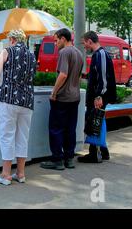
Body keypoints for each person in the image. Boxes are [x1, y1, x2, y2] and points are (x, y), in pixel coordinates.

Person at [0, 30, 36, 185]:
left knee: (6, 135)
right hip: (27, 101)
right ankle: (20, 173)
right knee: (22, 136)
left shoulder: (6, 52)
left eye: (9, 40)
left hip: (8, 99)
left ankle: (6, 174)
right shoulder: (32, 55)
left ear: (13, 39)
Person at [40, 28, 83, 170]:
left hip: (63, 97)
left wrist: (54, 92)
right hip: (75, 97)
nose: (55, 43)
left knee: (56, 128)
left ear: (63, 39)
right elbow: (79, 77)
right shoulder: (79, 53)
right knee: (70, 128)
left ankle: (57, 160)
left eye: (56, 40)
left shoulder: (64, 52)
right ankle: (69, 158)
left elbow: (63, 74)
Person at [78, 31, 117, 163]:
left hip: (98, 96)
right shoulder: (100, 54)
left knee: (94, 121)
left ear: (90, 41)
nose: (84, 46)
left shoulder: (100, 54)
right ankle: (103, 152)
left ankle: (93, 154)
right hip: (98, 95)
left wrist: (99, 96)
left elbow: (104, 77)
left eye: (84, 43)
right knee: (98, 121)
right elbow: (100, 75)